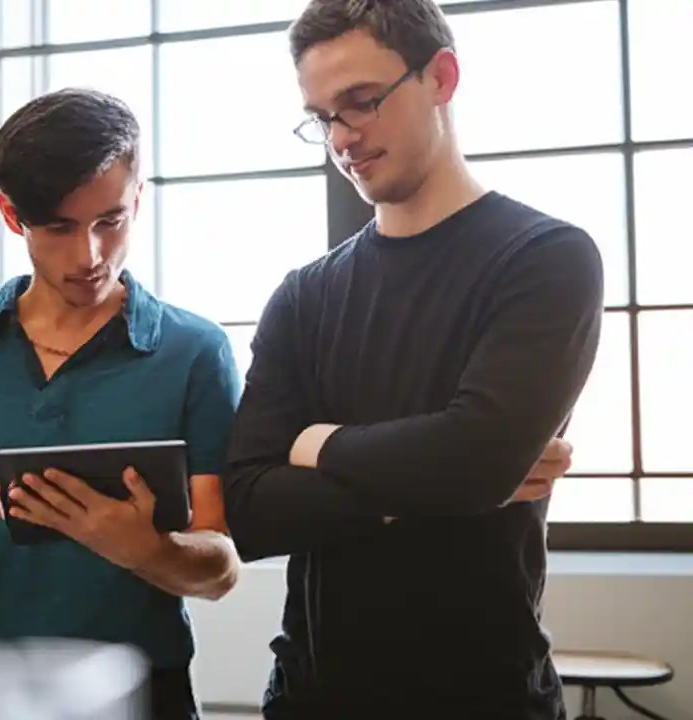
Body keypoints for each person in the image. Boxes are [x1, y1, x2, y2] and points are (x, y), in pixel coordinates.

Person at [222, 2, 603, 719]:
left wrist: (315, 445)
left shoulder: (547, 259)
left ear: (442, 77)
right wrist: (438, 480)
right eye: (322, 117)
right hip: (312, 697)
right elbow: (249, 509)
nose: (342, 137)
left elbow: (476, 460)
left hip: (486, 696)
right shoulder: (304, 296)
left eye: (362, 101)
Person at [0, 88, 241, 720]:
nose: (90, 255)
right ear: (11, 213)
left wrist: (142, 548)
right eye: (59, 228)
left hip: (138, 691)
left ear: (138, 199)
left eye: (111, 221)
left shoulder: (196, 351)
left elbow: (220, 566)